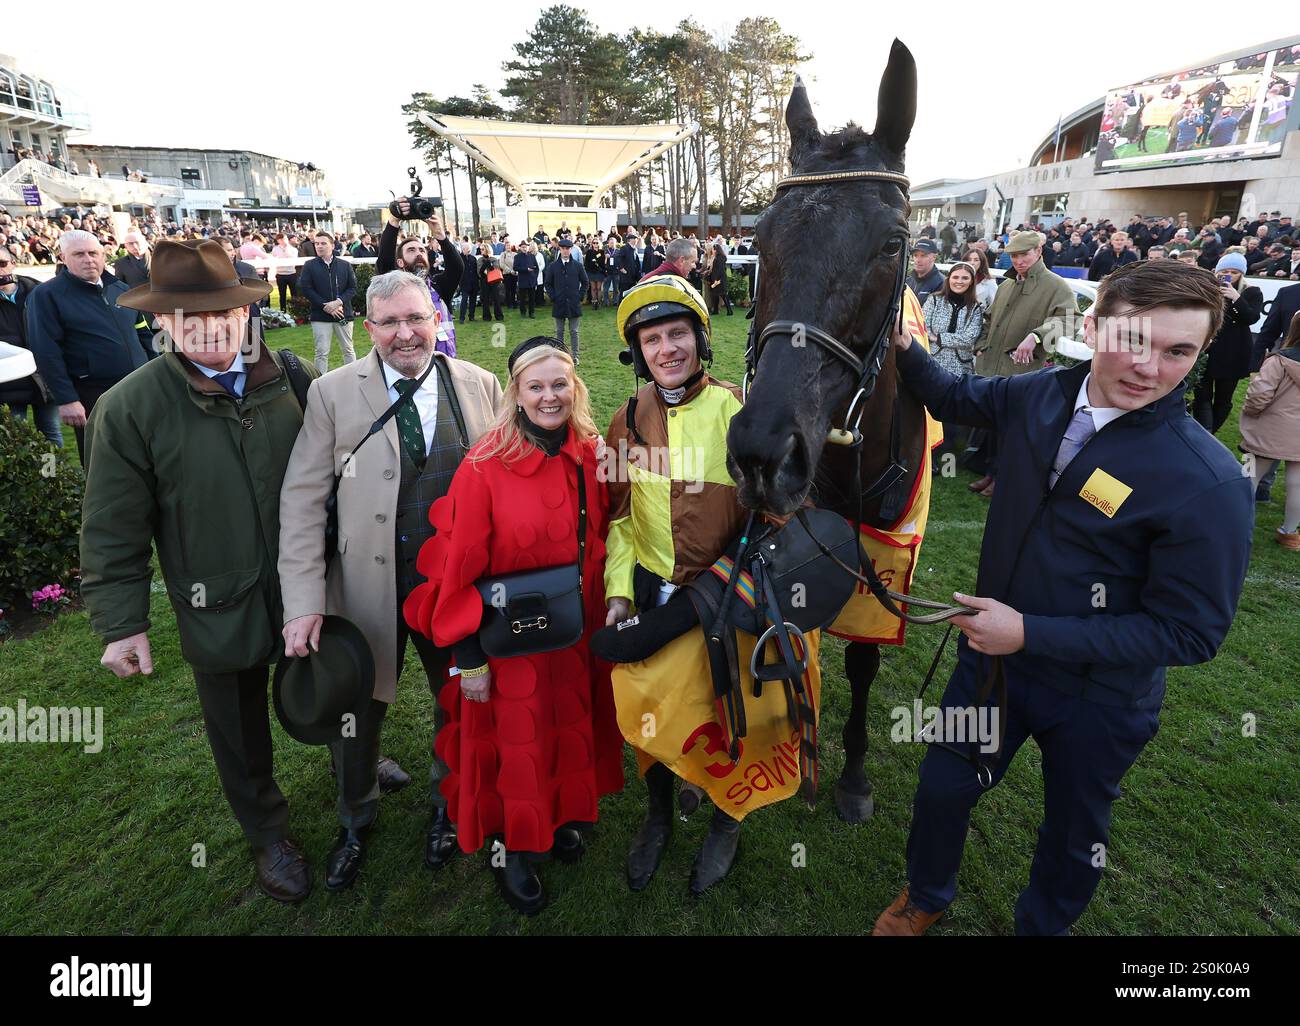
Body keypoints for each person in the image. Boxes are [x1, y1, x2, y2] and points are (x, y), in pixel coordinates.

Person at [875, 259, 1253, 936]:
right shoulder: (1041, 395)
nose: (1150, 369)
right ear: (1093, 326)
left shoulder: (1209, 481)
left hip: (1099, 701)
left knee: (1075, 836)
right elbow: (953, 395)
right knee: (941, 788)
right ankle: (927, 893)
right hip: (991, 667)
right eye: (1134, 341)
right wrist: (903, 344)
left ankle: (1041, 928)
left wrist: (1030, 634)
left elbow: (1191, 634)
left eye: (1179, 352)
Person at [79, 240, 319, 903]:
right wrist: (122, 624)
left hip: (310, 584)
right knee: (238, 727)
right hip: (218, 598)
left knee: (338, 684)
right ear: (163, 324)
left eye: (223, 315)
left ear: (246, 312)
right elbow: (111, 527)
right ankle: (268, 832)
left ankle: (353, 764)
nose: (211, 330)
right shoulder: (129, 407)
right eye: (190, 320)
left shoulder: (291, 377)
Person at [278, 270, 503, 891]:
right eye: (390, 323)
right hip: (362, 587)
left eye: (416, 319)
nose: (406, 334)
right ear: (368, 328)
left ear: (436, 319)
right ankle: (356, 816)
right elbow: (301, 500)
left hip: (453, 592)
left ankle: (448, 805)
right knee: (358, 712)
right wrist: (302, 602)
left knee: (457, 701)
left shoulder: (479, 385)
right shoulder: (330, 392)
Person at [401, 336, 623, 914]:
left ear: (574, 388)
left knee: (565, 725)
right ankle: (513, 849)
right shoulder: (485, 466)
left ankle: (559, 816)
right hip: (510, 641)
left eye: (560, 385)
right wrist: (469, 656)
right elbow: (457, 569)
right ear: (516, 394)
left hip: (572, 634)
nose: (550, 397)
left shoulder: (590, 452)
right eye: (536, 386)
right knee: (518, 740)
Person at [601, 275, 754, 896]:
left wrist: (729, 584)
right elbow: (618, 518)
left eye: (678, 334)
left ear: (700, 339)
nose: (667, 349)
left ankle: (726, 818)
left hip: (726, 599)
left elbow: (772, 515)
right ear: (639, 352)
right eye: (653, 339)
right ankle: (658, 813)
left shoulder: (740, 412)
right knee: (650, 710)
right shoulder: (626, 421)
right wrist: (617, 591)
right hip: (653, 595)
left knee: (727, 714)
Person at [26, 230, 155, 464]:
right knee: (103, 459)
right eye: (79, 254)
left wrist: (157, 373)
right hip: (91, 393)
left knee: (148, 451)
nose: (89, 259)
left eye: (94, 253)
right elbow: (46, 351)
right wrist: (66, 399)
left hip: (139, 386)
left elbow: (144, 335)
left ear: (104, 255)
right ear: (63, 258)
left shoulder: (122, 290)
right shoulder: (46, 296)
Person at [968, 231, 1075, 497]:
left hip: (1023, 373)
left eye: (1024, 254)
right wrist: (980, 346)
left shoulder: (1056, 286)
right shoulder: (1006, 285)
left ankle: (1001, 479)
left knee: (1012, 430)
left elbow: (1071, 320)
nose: (1018, 260)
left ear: (1039, 251)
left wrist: (1037, 335)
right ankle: (991, 473)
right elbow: (987, 321)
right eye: (1014, 256)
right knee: (995, 428)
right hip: (991, 369)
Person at [1240, 311, 1300, 549]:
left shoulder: (1278, 360)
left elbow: (1259, 393)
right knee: (1297, 482)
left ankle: (1236, 523)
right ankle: (1290, 532)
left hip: (1266, 431)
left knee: (1247, 474)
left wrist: (1252, 412)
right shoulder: (1280, 360)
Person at [377, 198, 463, 357]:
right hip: (407, 360)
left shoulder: (439, 287)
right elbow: (384, 262)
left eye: (422, 250)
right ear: (400, 262)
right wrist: (394, 220)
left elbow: (457, 267)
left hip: (441, 361)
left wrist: (440, 235)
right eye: (411, 250)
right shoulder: (393, 288)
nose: (418, 253)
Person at [1192, 253, 1263, 434]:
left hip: (1234, 351)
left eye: (1234, 272)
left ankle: (1209, 435)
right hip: (1207, 348)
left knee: (1223, 398)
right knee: (1202, 395)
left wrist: (1236, 297)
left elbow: (1252, 317)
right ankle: (1204, 433)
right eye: (1225, 271)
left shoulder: (1252, 291)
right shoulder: (1207, 289)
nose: (1229, 275)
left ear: (1242, 274)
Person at [0, 244, 61, 445]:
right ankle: (32, 478)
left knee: (50, 435)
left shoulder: (38, 292)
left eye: (2, 264)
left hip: (44, 378)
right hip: (8, 383)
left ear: (13, 264)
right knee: (16, 440)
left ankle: (52, 475)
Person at [296, 231, 357, 374]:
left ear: (332, 245)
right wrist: (326, 306)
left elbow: (352, 288)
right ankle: (320, 383)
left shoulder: (344, 265)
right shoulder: (309, 265)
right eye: (316, 243)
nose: (319, 246)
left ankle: (353, 378)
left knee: (348, 349)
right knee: (321, 353)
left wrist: (337, 302)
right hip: (320, 316)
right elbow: (306, 288)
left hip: (343, 314)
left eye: (323, 243)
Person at [544, 236, 588, 363]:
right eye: (563, 248)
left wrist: (579, 296)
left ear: (570, 249)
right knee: (559, 331)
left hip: (574, 303)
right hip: (559, 303)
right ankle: (560, 356)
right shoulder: (553, 266)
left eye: (567, 249)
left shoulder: (578, 266)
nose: (565, 251)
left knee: (574, 331)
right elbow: (548, 283)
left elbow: (585, 282)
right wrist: (553, 296)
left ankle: (575, 356)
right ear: (560, 249)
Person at [905, 239, 945, 303]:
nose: (918, 260)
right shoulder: (908, 281)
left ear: (934, 257)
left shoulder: (941, 283)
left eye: (923, 256)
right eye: (915, 255)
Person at [477, 242, 505, 322]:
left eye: (482, 249)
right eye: (480, 249)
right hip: (484, 281)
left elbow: (495, 269)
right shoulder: (480, 260)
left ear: (487, 249)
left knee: (496, 298)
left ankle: (499, 316)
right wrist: (486, 262)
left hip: (494, 281)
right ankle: (486, 317)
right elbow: (480, 271)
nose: (481, 251)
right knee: (485, 299)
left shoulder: (494, 259)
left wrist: (488, 261)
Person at [705, 242, 734, 316]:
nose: (712, 251)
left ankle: (729, 311)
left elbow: (720, 269)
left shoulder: (720, 257)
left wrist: (716, 279)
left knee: (723, 295)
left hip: (719, 279)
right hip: (716, 278)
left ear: (716, 250)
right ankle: (715, 310)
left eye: (713, 250)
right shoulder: (716, 257)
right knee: (715, 295)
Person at [514, 240, 539, 318]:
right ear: (520, 248)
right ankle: (523, 313)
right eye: (523, 247)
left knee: (532, 298)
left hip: (531, 280)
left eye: (526, 247)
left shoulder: (532, 256)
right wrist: (526, 269)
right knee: (522, 298)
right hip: (522, 280)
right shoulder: (517, 256)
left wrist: (535, 277)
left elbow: (536, 268)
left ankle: (532, 313)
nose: (524, 249)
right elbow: (515, 267)